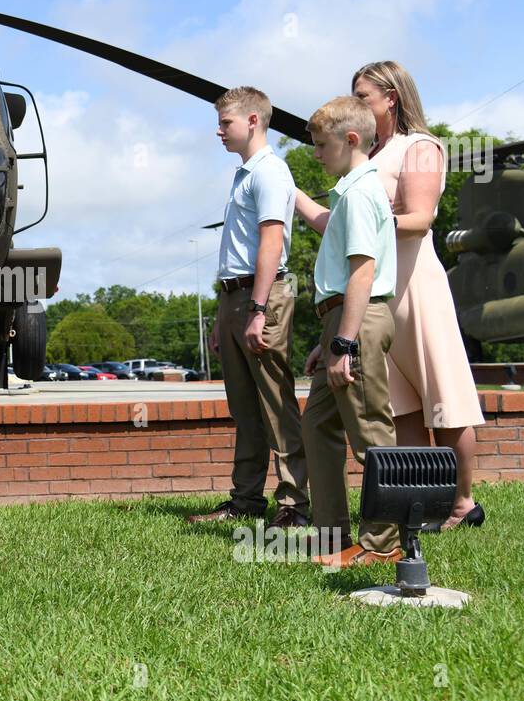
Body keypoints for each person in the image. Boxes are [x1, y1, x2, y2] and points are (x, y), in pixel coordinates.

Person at [295, 61, 485, 532]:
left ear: (391, 97)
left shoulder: (418, 148)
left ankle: (463, 503)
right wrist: (293, 196)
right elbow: (340, 230)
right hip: (374, 293)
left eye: (364, 94)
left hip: (413, 284)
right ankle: (421, 503)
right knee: (401, 406)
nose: (357, 101)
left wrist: (369, 226)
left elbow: (420, 218)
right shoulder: (361, 158)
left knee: (443, 394)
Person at [194, 86, 310, 529]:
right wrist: (222, 314)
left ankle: (294, 507)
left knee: (276, 405)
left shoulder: (270, 173)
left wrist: (258, 310)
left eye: (226, 123)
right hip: (235, 298)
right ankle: (245, 502)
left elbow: (272, 242)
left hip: (260, 298)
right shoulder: (244, 174)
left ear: (253, 122)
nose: (219, 130)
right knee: (245, 409)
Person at [298, 97, 402, 568]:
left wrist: (343, 342)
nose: (317, 154)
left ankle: (383, 544)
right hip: (340, 323)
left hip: (355, 323)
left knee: (369, 433)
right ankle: (332, 535)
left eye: (322, 145)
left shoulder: (360, 194)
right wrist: (330, 341)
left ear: (351, 140)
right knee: (318, 423)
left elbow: (362, 271)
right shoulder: (348, 192)